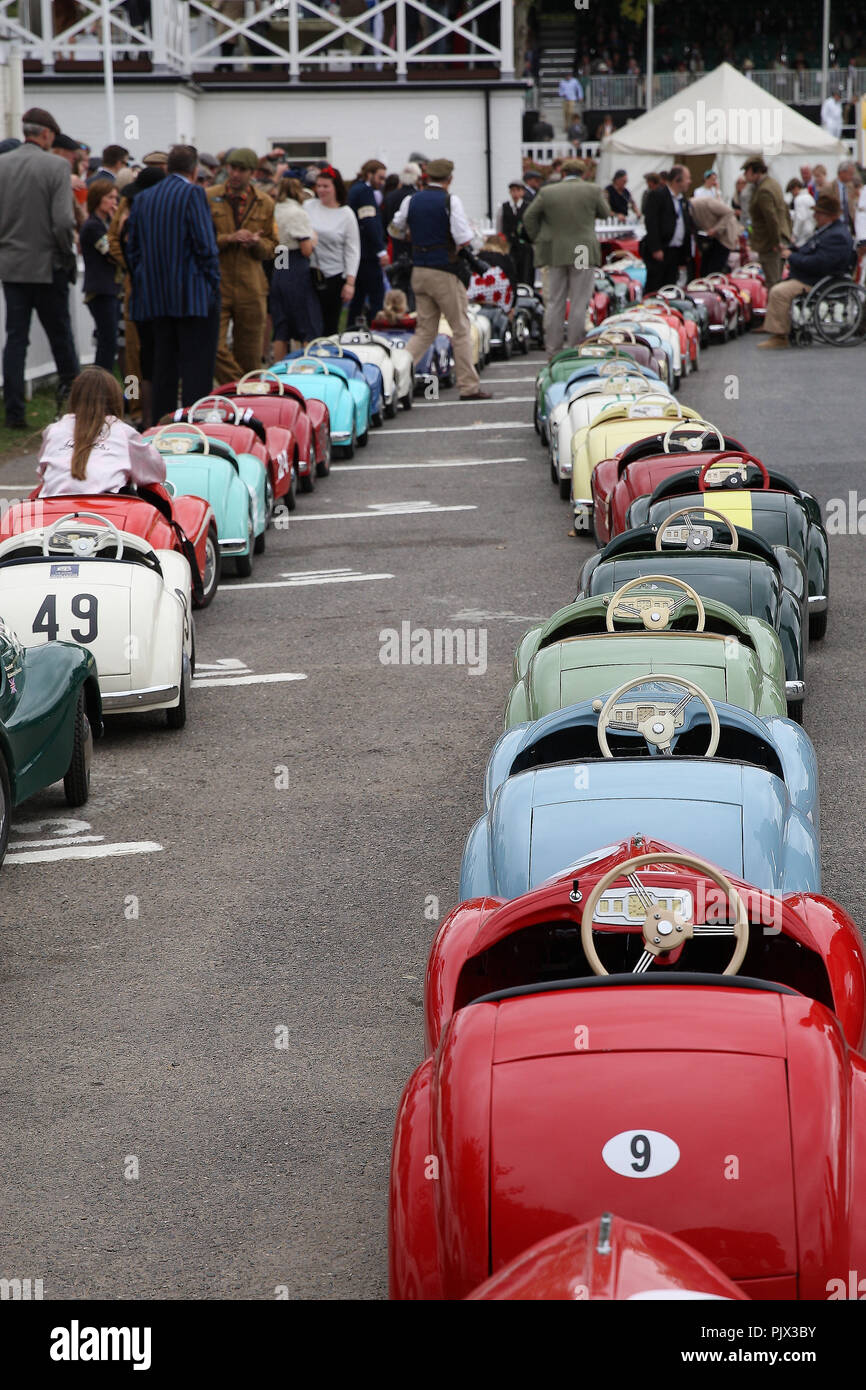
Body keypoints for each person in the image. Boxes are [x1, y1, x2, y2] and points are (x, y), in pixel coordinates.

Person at [126, 144, 221, 421]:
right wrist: (213, 282)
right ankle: (193, 425)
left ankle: (162, 425)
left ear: (168, 168)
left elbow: (133, 250)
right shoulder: (193, 193)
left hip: (155, 297)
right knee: (196, 369)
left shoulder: (144, 198)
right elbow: (205, 245)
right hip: (193, 296)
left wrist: (146, 280)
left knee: (163, 368)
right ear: (194, 170)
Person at [0, 106, 79, 429]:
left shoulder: (3, 164)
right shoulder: (56, 166)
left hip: (13, 266)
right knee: (61, 337)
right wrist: (67, 254)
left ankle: (14, 413)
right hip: (48, 265)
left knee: (16, 340)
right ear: (46, 134)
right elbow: (62, 221)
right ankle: (77, 408)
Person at [390, 156, 490, 401]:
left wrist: (413, 236)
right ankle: (469, 387)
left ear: (427, 178)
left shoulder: (410, 200)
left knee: (424, 331)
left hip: (419, 270)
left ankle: (394, 376)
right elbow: (463, 237)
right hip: (445, 271)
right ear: (449, 179)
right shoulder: (450, 201)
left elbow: (394, 229)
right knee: (461, 329)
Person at [522, 157, 610, 355]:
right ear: (583, 174)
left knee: (555, 301)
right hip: (582, 249)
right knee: (579, 300)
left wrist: (538, 238)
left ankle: (553, 349)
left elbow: (529, 216)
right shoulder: (592, 190)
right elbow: (605, 213)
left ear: (562, 173)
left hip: (556, 249)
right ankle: (576, 347)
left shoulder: (548, 192)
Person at [37, 366, 166, 497]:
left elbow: (43, 473)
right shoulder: (123, 432)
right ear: (114, 400)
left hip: (54, 506)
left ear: (74, 398)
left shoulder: (54, 430)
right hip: (105, 506)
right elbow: (156, 472)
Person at [206, 146, 277, 382]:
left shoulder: (265, 202)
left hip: (252, 287)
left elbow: (273, 247)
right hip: (218, 284)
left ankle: (247, 398)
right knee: (212, 347)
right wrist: (229, 238)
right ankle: (243, 388)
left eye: (241, 170)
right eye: (232, 168)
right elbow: (200, 241)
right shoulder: (209, 197)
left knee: (250, 356)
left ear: (252, 173)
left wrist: (256, 243)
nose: (235, 174)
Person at [108, 163, 167, 428]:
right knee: (132, 356)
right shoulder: (127, 208)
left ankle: (153, 407)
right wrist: (132, 267)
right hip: (134, 290)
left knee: (153, 354)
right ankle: (135, 406)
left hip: (152, 292)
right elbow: (113, 240)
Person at [759, 192, 854, 348]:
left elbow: (819, 262)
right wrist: (791, 250)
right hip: (815, 276)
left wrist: (792, 257)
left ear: (829, 216)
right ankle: (782, 330)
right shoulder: (829, 231)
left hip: (818, 279)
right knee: (779, 287)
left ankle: (779, 335)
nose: (815, 216)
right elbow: (809, 251)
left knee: (778, 292)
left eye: (818, 213)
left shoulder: (836, 236)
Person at [306, 165, 361, 336]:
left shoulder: (346, 214)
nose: (321, 190)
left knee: (330, 326)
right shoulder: (308, 206)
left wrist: (350, 283)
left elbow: (353, 250)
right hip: (308, 274)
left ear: (336, 188)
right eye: (318, 186)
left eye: (326, 186)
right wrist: (282, 266)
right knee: (309, 325)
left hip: (334, 277)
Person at [270, 178, 320, 358]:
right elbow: (306, 250)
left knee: (281, 327)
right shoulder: (297, 213)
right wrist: (314, 240)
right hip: (296, 264)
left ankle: (278, 368)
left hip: (279, 260)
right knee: (306, 322)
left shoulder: (274, 209)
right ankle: (306, 366)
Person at [80, 179, 121, 372]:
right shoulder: (93, 226)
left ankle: (108, 381)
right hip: (101, 290)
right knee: (108, 340)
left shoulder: (104, 224)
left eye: (116, 198)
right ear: (98, 199)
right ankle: (100, 382)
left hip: (111, 289)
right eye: (110, 197)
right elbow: (111, 252)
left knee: (112, 340)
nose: (114, 202)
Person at [640, 164, 695, 293]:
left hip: (675, 252)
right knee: (655, 286)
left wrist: (686, 254)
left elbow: (686, 226)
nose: (690, 182)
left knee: (671, 287)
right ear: (677, 180)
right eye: (687, 178)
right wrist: (656, 248)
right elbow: (651, 223)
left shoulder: (683, 201)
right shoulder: (657, 195)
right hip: (661, 250)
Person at [348, 159, 389, 325]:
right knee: (376, 297)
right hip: (368, 254)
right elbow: (369, 222)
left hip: (358, 253)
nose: (382, 182)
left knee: (358, 298)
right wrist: (381, 250)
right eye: (380, 177)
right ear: (369, 174)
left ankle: (351, 330)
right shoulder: (365, 191)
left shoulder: (355, 188)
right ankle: (375, 329)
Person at [741, 157, 791, 288]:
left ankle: (774, 303)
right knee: (777, 280)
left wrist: (775, 242)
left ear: (755, 171)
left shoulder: (763, 190)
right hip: (779, 238)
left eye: (746, 171)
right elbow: (785, 211)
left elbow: (771, 218)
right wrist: (787, 234)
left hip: (770, 242)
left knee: (772, 282)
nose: (744, 175)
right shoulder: (773, 183)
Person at [688, 193, 739, 275]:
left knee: (715, 269)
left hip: (724, 236)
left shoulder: (705, 202)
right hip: (711, 239)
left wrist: (715, 229)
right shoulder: (690, 212)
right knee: (704, 269)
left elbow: (729, 212)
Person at [497, 179, 534, 286]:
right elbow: (499, 226)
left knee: (526, 273)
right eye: (513, 190)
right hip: (509, 245)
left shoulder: (528, 207)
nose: (515, 193)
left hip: (525, 245)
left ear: (523, 192)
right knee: (511, 272)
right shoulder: (504, 207)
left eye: (518, 190)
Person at [825, 159, 859, 232]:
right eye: (850, 173)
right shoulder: (830, 187)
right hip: (835, 223)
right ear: (842, 173)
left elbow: (852, 206)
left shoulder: (850, 187)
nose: (852, 176)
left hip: (849, 224)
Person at [786, 177, 816, 245]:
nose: (792, 195)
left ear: (796, 188)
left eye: (791, 192)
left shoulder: (799, 199)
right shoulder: (809, 197)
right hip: (811, 230)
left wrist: (794, 235)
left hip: (803, 234)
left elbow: (801, 218)